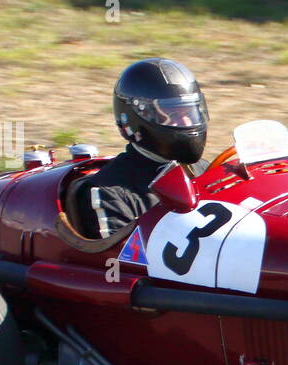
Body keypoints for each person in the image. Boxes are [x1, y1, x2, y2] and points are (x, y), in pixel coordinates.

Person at [73, 58, 210, 238]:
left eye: (190, 113)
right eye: (174, 114)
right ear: (135, 119)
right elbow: (121, 261)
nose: (186, 123)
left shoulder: (206, 170)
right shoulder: (109, 193)